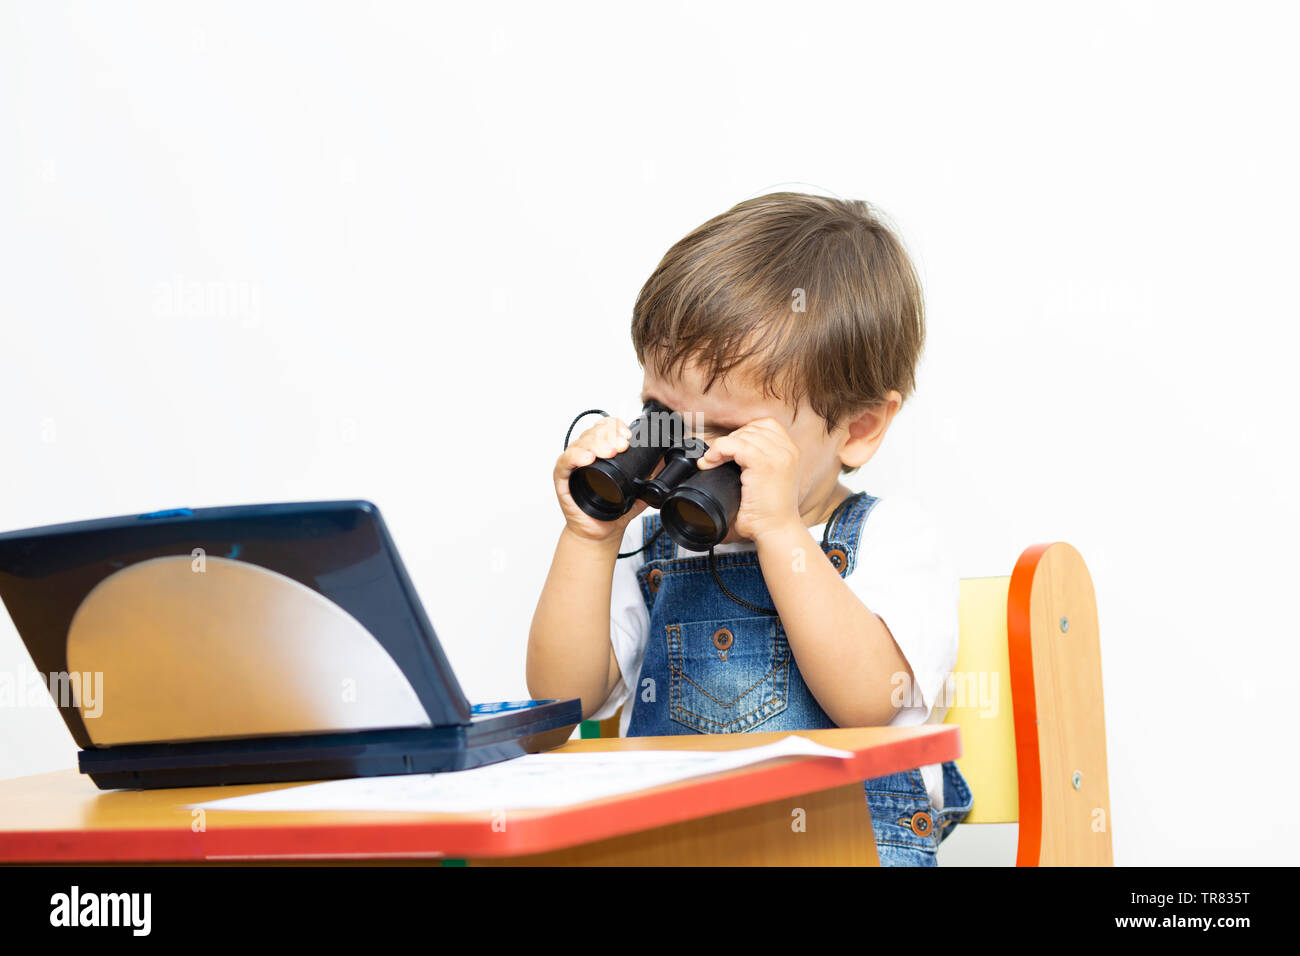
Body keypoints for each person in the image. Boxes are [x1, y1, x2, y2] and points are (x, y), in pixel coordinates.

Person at [527, 192, 972, 865]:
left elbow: (867, 702)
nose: (687, 454)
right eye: (661, 415)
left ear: (858, 429)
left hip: (835, 848)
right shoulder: (656, 547)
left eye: (731, 433)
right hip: (668, 849)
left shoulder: (893, 540)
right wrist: (590, 537)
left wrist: (781, 533)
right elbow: (559, 704)